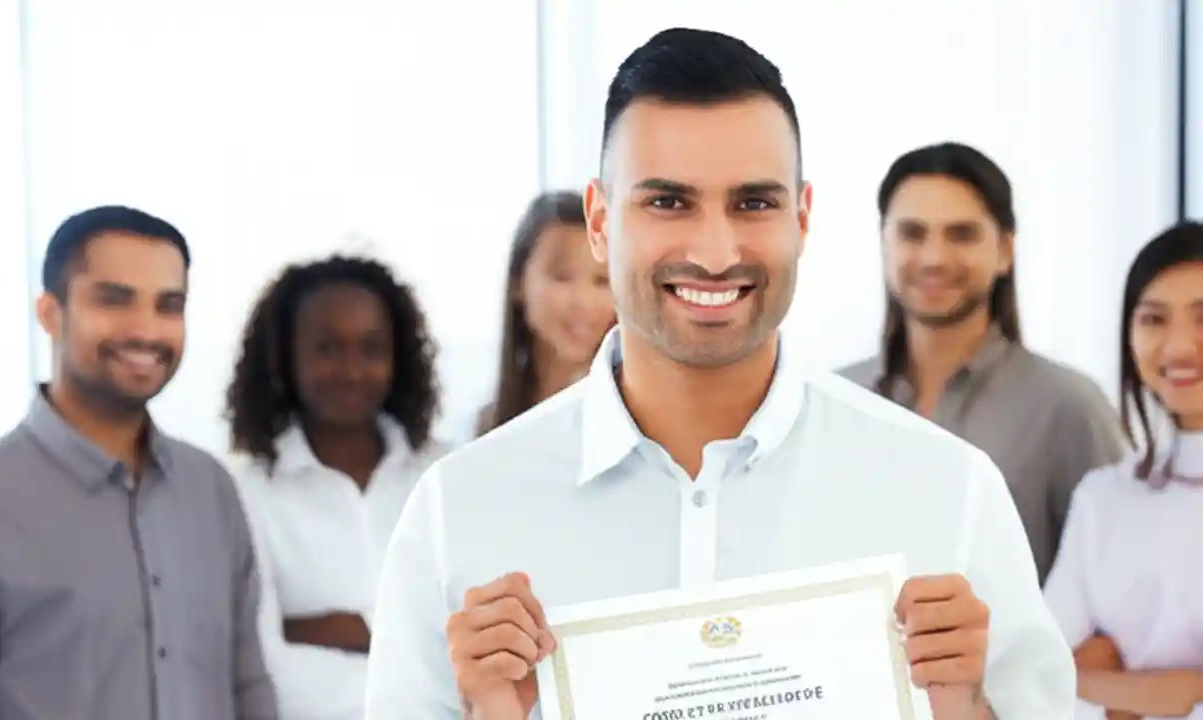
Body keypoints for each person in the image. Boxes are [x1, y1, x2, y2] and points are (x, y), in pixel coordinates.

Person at [365, 28, 1073, 720]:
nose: (714, 253)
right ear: (601, 222)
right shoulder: (460, 513)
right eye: (668, 202)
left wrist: (964, 710)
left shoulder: (948, 491)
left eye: (753, 203)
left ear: (802, 218)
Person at [0, 206, 276, 719]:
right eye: (114, 300)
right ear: (51, 314)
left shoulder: (210, 489)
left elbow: (248, 685)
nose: (146, 330)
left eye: (168, 305)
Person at [840, 143, 1124, 584]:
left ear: (1005, 250)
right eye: (912, 233)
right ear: (884, 243)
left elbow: (1119, 579)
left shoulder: (1067, 406)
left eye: (962, 234)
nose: (934, 258)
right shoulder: (837, 402)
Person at [226, 255, 447, 719]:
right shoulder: (243, 489)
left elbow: (472, 637)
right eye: (326, 348)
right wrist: (413, 657)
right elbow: (266, 667)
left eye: (371, 348)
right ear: (286, 358)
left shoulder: (443, 474)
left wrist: (350, 628)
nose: (350, 370)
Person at [1043, 221, 1203, 719]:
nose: (1178, 346)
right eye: (1154, 319)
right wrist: (1172, 692)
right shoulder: (1104, 498)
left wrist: (1102, 687)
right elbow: (1040, 679)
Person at [478, 190, 615, 435]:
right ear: (518, 283)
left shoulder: (629, 420)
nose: (584, 301)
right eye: (562, 277)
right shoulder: (488, 425)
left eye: (602, 281)